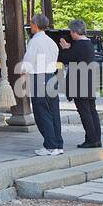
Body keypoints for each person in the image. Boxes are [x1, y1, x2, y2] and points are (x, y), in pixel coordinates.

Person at [20, 12, 63, 155]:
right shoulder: (51, 42)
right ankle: (58, 144)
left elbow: (28, 59)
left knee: (42, 112)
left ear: (36, 25)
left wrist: (23, 71)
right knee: (53, 111)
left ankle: (50, 145)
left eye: (32, 23)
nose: (30, 26)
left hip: (39, 77)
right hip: (51, 76)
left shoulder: (35, 41)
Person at [59, 19, 101, 149]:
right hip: (88, 81)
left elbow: (65, 59)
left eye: (71, 31)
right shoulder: (88, 43)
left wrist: (65, 49)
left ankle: (91, 140)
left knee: (84, 112)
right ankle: (96, 138)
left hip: (79, 83)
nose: (70, 34)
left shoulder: (79, 44)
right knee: (92, 111)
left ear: (75, 31)